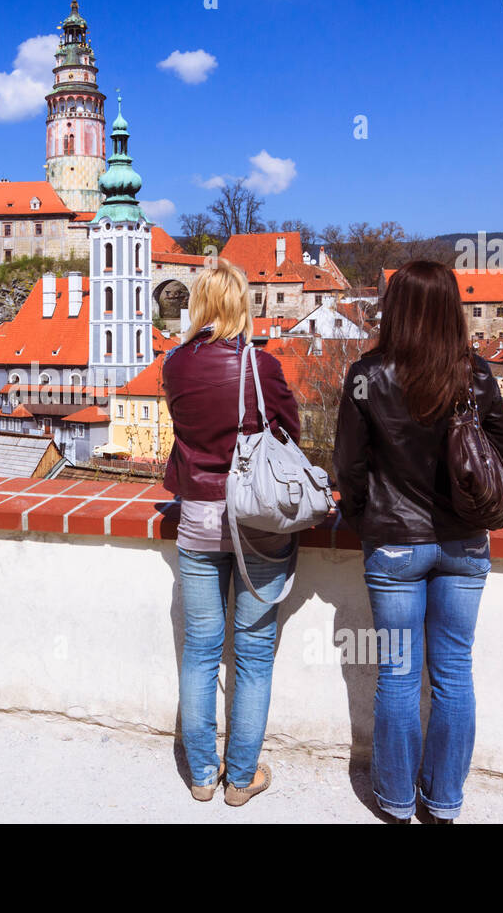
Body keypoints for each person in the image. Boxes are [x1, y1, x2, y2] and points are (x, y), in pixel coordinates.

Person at [333, 259, 503, 824]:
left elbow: (349, 467)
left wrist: (368, 524)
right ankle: (442, 802)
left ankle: (393, 799)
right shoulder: (476, 374)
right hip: (463, 544)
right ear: (450, 309)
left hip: (393, 544)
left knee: (397, 673)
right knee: (454, 674)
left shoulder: (366, 375)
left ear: (395, 310)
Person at [162, 260, 301, 807]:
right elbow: (290, 428)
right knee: (253, 652)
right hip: (257, 524)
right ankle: (241, 777)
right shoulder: (259, 365)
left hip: (197, 518)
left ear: (198, 306)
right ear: (242, 306)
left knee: (199, 651)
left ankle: (201, 773)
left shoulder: (174, 365)